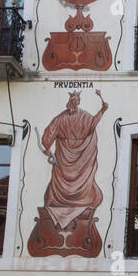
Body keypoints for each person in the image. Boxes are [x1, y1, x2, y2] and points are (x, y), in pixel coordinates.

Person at [39, 90, 108, 228]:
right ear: (70, 102)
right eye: (73, 101)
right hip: (64, 154)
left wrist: (102, 110)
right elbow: (50, 132)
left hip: (78, 156)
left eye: (77, 101)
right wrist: (47, 146)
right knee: (59, 181)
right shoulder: (61, 118)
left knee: (74, 181)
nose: (75, 103)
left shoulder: (83, 116)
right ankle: (62, 205)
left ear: (78, 102)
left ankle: (76, 204)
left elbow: (92, 123)